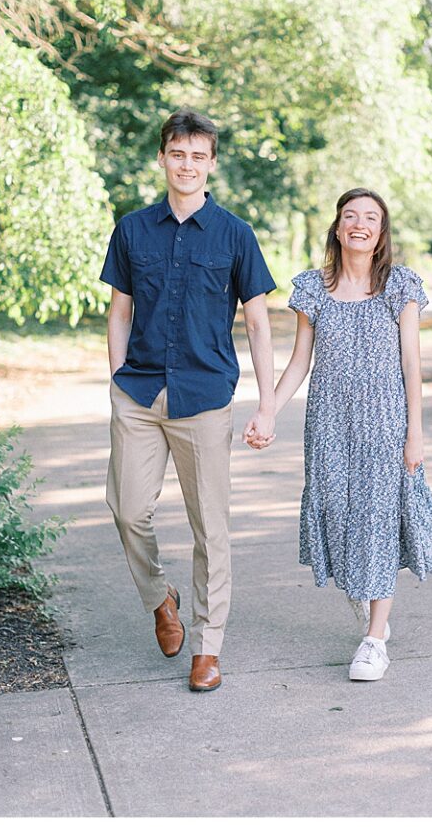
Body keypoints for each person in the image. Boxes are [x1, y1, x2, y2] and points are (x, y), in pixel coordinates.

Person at [99, 108, 278, 693]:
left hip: (203, 396)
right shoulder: (132, 230)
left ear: (212, 164)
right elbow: (119, 309)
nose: (187, 165)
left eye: (198, 156)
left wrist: (267, 403)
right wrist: (117, 376)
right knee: (127, 509)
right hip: (140, 391)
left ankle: (208, 645)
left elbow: (256, 323)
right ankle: (160, 596)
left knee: (211, 528)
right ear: (162, 159)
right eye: (178, 154)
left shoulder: (235, 235)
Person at [247, 187, 432, 681]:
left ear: (381, 233)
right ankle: (366, 597)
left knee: (379, 519)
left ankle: (375, 640)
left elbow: (411, 365)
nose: (360, 224)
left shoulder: (400, 286)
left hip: (385, 423)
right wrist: (268, 409)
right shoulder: (313, 289)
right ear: (338, 227)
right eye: (351, 216)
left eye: (371, 218)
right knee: (338, 513)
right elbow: (300, 361)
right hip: (330, 423)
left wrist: (415, 433)